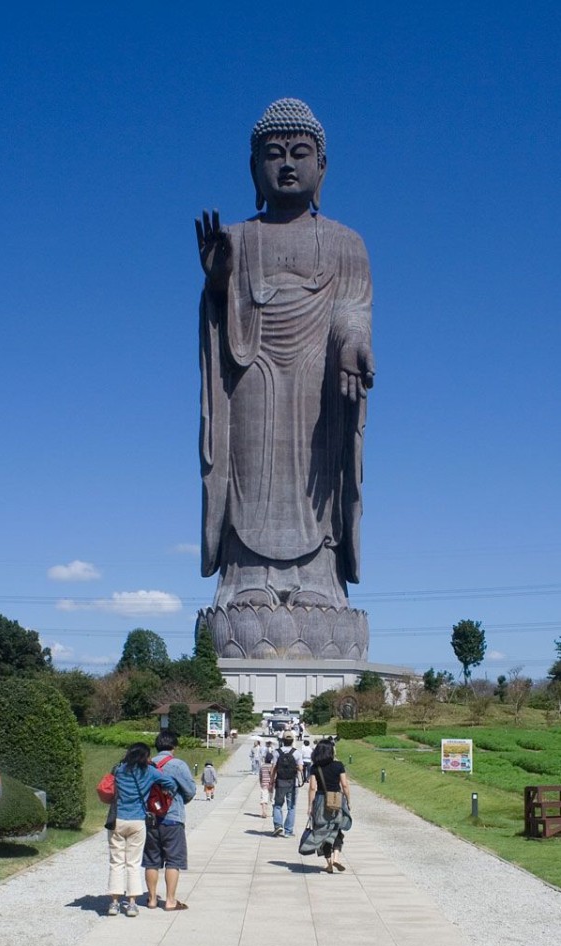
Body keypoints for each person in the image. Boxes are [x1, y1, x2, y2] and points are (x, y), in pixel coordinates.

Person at [196, 98, 374, 633]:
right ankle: (243, 581)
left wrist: (353, 343)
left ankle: (319, 584)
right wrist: (217, 282)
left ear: (322, 167)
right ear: (255, 168)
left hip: (317, 382)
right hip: (251, 377)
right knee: (247, 472)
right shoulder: (238, 238)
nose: (288, 165)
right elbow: (218, 322)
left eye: (300, 153)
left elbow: (353, 310)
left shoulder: (347, 244)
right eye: (274, 155)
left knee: (319, 478)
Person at [107, 742, 175, 917]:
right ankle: (131, 904)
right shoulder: (150, 771)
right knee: (133, 863)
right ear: (146, 756)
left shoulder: (120, 769)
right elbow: (169, 782)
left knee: (116, 862)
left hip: (118, 819)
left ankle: (114, 903)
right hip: (137, 821)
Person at [142, 730, 197, 912]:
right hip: (173, 818)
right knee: (173, 860)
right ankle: (170, 900)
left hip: (150, 818)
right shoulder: (178, 765)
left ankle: (151, 899)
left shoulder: (147, 764)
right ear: (174, 747)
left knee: (151, 860)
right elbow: (190, 790)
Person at [307, 739, 351, 873]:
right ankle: (336, 857)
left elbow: (312, 787)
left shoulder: (315, 767)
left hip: (321, 799)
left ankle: (329, 863)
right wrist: (348, 800)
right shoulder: (338, 765)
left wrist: (310, 806)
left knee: (322, 831)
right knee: (336, 828)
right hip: (336, 799)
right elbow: (344, 785)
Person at [269, 731, 303, 837]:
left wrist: (271, 781)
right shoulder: (297, 753)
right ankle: (288, 831)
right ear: (292, 741)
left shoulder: (276, 752)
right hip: (293, 783)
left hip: (280, 782)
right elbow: (301, 768)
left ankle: (278, 825)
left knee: (278, 805)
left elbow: (273, 769)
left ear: (282, 741)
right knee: (291, 807)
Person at [258, 749, 274, 818]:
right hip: (272, 784)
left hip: (264, 784)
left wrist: (261, 783)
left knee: (264, 798)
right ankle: (274, 812)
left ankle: (264, 812)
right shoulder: (272, 767)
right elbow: (273, 775)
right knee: (272, 799)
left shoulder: (262, 766)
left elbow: (260, 775)